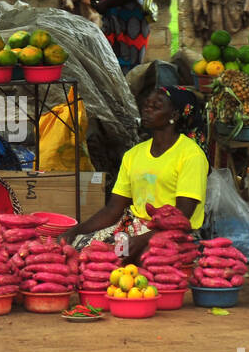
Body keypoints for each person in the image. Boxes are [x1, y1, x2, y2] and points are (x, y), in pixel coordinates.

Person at [61, 86, 208, 258]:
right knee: (77, 249)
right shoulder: (134, 154)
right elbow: (113, 209)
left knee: (143, 258)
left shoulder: (191, 154)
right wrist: (76, 230)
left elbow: (182, 217)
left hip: (173, 232)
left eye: (156, 106)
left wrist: (142, 240)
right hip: (134, 226)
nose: (147, 109)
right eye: (146, 104)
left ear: (174, 116)